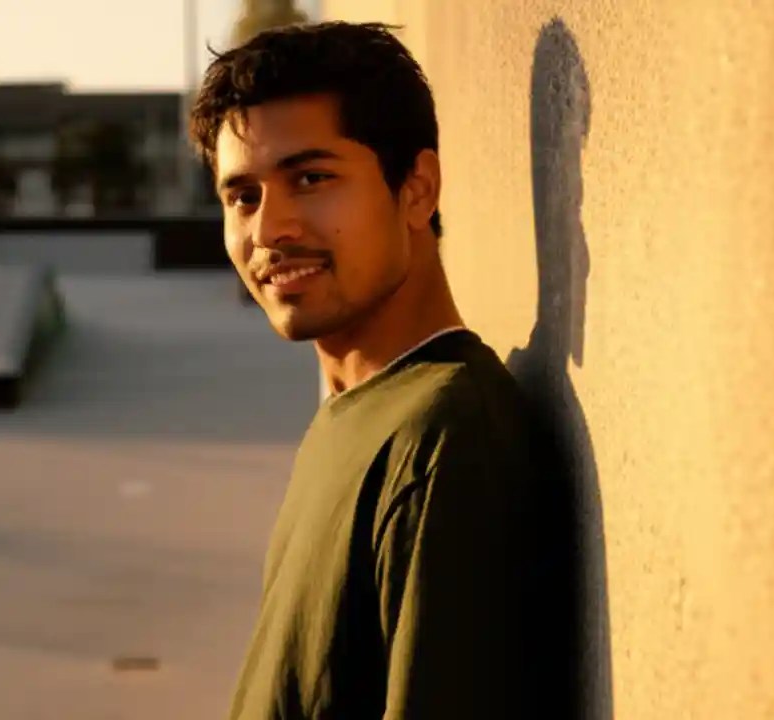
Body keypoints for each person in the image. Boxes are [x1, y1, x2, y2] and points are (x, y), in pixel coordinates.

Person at [189, 21, 578, 719]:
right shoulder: (357, 409)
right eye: (242, 196)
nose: (269, 228)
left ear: (417, 189)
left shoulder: (446, 435)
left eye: (311, 178)